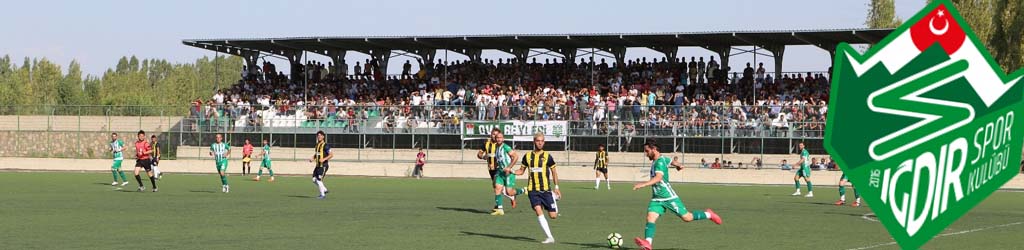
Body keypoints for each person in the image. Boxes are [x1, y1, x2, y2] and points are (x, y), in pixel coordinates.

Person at [632, 139, 721, 250]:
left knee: (687, 217)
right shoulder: (662, 158)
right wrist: (679, 165)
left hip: (668, 197)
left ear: (654, 149)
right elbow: (671, 161)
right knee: (650, 217)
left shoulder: (659, 162)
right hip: (657, 198)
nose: (645, 154)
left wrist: (643, 184)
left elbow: (658, 178)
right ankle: (647, 244)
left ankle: (708, 214)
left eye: (647, 151)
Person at [513, 133, 561, 244]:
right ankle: (550, 237)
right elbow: (521, 171)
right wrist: (511, 171)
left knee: (553, 216)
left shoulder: (547, 156)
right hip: (532, 190)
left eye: (542, 141)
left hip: (546, 190)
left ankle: (553, 197)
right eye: (538, 140)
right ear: (534, 141)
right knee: (538, 210)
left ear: (544, 142)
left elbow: (554, 171)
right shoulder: (527, 156)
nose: (540, 142)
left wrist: (557, 187)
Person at [490, 130, 523, 216]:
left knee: (510, 192)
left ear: (503, 139)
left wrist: (509, 167)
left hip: (508, 173)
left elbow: (515, 156)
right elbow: (499, 160)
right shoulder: (497, 148)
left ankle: (524, 190)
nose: (499, 139)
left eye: (500, 138)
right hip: (500, 173)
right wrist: (495, 166)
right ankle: (500, 209)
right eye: (497, 138)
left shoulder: (506, 147)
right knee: (497, 188)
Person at [310, 131, 334, 199]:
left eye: (320, 135)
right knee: (314, 179)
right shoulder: (317, 145)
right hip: (317, 165)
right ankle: (325, 189)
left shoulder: (326, 145)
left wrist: (324, 159)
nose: (319, 136)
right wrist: (313, 158)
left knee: (318, 180)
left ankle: (322, 195)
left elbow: (331, 155)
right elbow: (317, 154)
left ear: (323, 136)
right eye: (318, 135)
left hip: (323, 166)